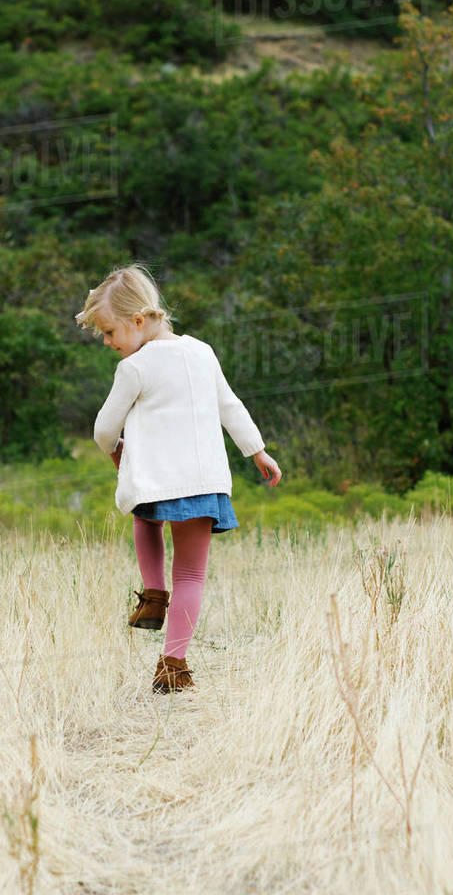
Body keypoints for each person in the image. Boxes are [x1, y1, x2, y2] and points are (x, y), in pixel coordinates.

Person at [75, 263, 281, 693]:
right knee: (191, 576)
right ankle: (173, 666)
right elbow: (230, 405)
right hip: (205, 483)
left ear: (137, 320)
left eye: (110, 332)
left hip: (157, 481)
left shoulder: (135, 368)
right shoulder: (202, 352)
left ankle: (153, 593)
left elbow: (101, 429)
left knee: (144, 519)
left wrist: (117, 450)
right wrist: (257, 450)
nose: (109, 342)